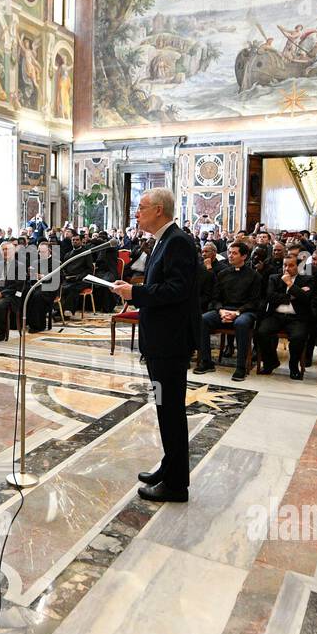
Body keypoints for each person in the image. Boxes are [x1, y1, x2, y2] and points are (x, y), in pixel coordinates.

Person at [111, 188, 198, 503]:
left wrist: (136, 294)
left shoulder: (177, 241)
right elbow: (160, 285)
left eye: (142, 207)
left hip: (170, 342)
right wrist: (135, 289)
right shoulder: (164, 239)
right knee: (166, 410)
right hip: (161, 339)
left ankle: (176, 485)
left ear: (159, 210)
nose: (137, 212)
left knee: (171, 411)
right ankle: (170, 464)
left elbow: (177, 290)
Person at [195, 240, 261, 380]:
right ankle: (206, 362)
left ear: (244, 256)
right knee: (202, 320)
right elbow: (215, 298)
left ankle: (240, 367)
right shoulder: (223, 274)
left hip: (244, 312)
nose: (230, 256)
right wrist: (220, 310)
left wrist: (237, 312)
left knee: (241, 324)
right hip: (223, 310)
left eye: (234, 253)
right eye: (229, 253)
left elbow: (254, 302)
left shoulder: (254, 276)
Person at [254, 253, 316, 380]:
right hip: (276, 315)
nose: (287, 269)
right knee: (262, 332)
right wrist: (294, 294)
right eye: (284, 265)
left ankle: (293, 366)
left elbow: (306, 299)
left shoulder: (308, 279)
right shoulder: (274, 278)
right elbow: (271, 296)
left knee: (298, 337)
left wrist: (290, 284)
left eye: (291, 265)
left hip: (297, 318)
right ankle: (271, 362)